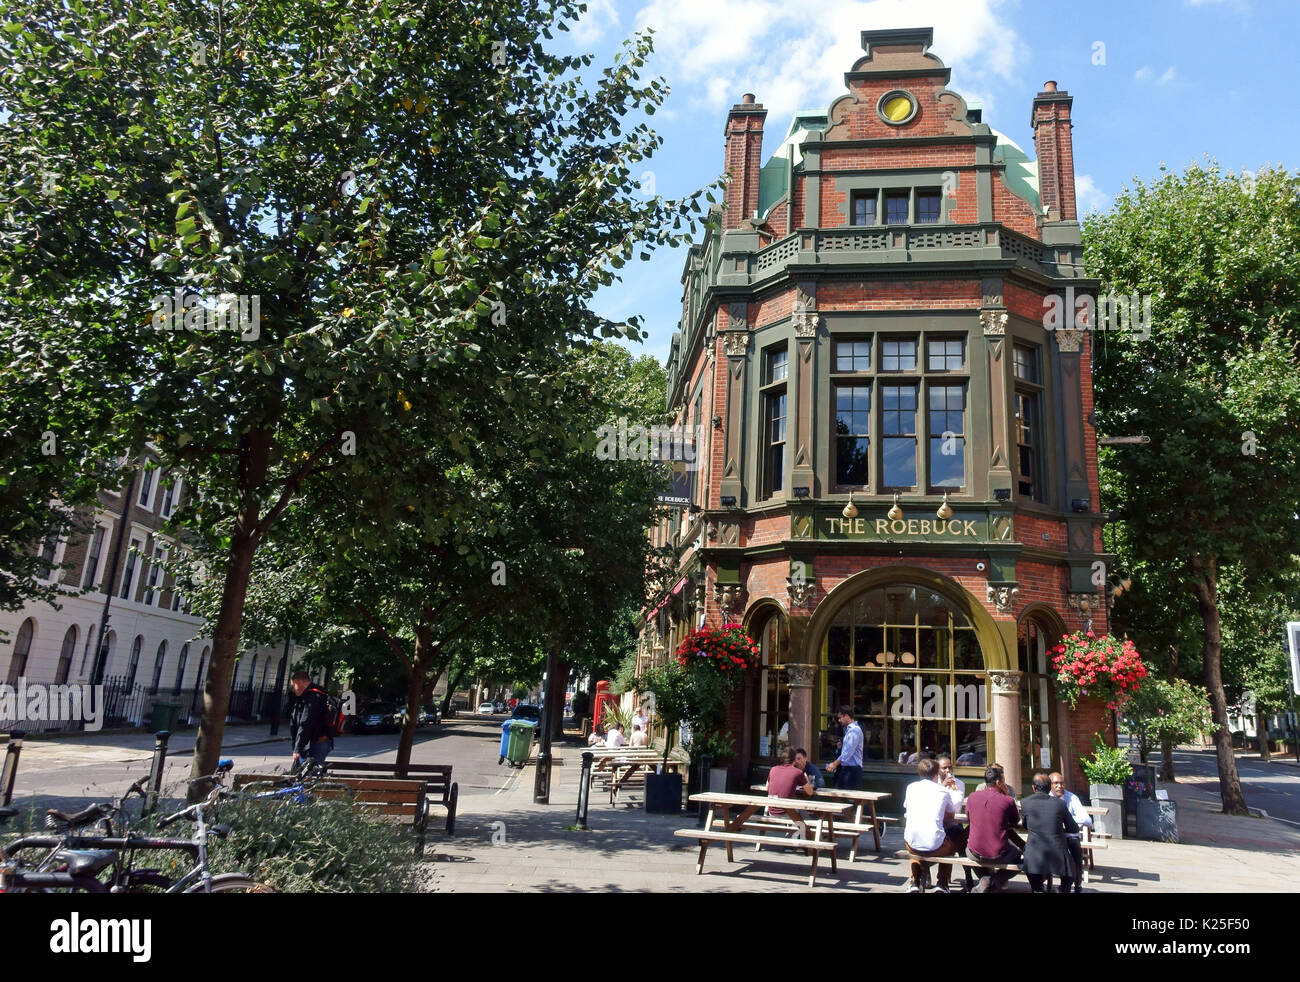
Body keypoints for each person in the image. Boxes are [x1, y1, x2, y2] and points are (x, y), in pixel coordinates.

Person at [903, 757, 958, 893]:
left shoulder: (911, 788)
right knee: (952, 841)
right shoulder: (943, 791)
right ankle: (942, 883)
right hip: (936, 846)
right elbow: (951, 816)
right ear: (936, 775)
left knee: (915, 839)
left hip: (911, 844)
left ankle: (915, 881)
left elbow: (906, 807)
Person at [965, 764, 1022, 893]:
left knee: (967, 851)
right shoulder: (1007, 800)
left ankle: (985, 880)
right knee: (1018, 857)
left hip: (974, 852)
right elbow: (1015, 820)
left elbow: (968, 817)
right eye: (1003, 780)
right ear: (998, 782)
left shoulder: (972, 797)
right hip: (999, 853)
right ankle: (993, 881)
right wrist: (1007, 795)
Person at [1021, 772, 1079, 893]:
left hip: (1033, 857)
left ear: (1033, 788)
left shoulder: (1025, 803)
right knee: (1070, 873)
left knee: (1035, 883)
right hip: (1058, 855)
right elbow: (1073, 828)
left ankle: (1037, 889)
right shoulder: (1060, 804)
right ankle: (1063, 889)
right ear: (1050, 788)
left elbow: (1025, 825)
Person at [1050, 771, 1092, 893]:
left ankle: (1076, 884)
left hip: (1069, 836)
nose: (1059, 786)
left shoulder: (1072, 798)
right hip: (1053, 837)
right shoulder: (1047, 797)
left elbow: (1087, 819)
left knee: (1075, 850)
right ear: (1050, 785)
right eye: (1056, 783)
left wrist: (1066, 820)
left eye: (1062, 783)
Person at [937, 755, 973, 891]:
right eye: (944, 767)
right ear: (937, 769)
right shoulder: (933, 784)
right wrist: (941, 787)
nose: (948, 770)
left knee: (959, 837)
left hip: (952, 824)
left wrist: (948, 788)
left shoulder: (959, 784)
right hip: (936, 824)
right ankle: (925, 875)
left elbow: (956, 807)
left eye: (950, 767)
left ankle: (968, 875)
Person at [289, 671, 332, 771]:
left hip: (315, 743)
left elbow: (306, 722)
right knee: (305, 776)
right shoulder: (310, 695)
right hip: (312, 743)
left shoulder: (314, 696)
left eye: (293, 685)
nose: (293, 689)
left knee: (309, 777)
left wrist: (298, 748)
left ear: (298, 682)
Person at [766, 747, 815, 817]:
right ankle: (806, 827)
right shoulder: (798, 772)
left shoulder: (773, 769)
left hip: (772, 811)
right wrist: (806, 779)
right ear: (794, 760)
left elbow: (767, 788)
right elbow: (810, 792)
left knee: (798, 806)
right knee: (800, 807)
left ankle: (805, 827)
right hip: (787, 813)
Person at [824, 707, 863, 790]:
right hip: (847, 768)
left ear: (846, 716)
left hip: (852, 769)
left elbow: (847, 753)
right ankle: (866, 803)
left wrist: (834, 764)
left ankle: (867, 803)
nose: (839, 720)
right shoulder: (849, 730)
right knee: (838, 795)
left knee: (849, 798)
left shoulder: (854, 731)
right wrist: (840, 747)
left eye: (840, 717)